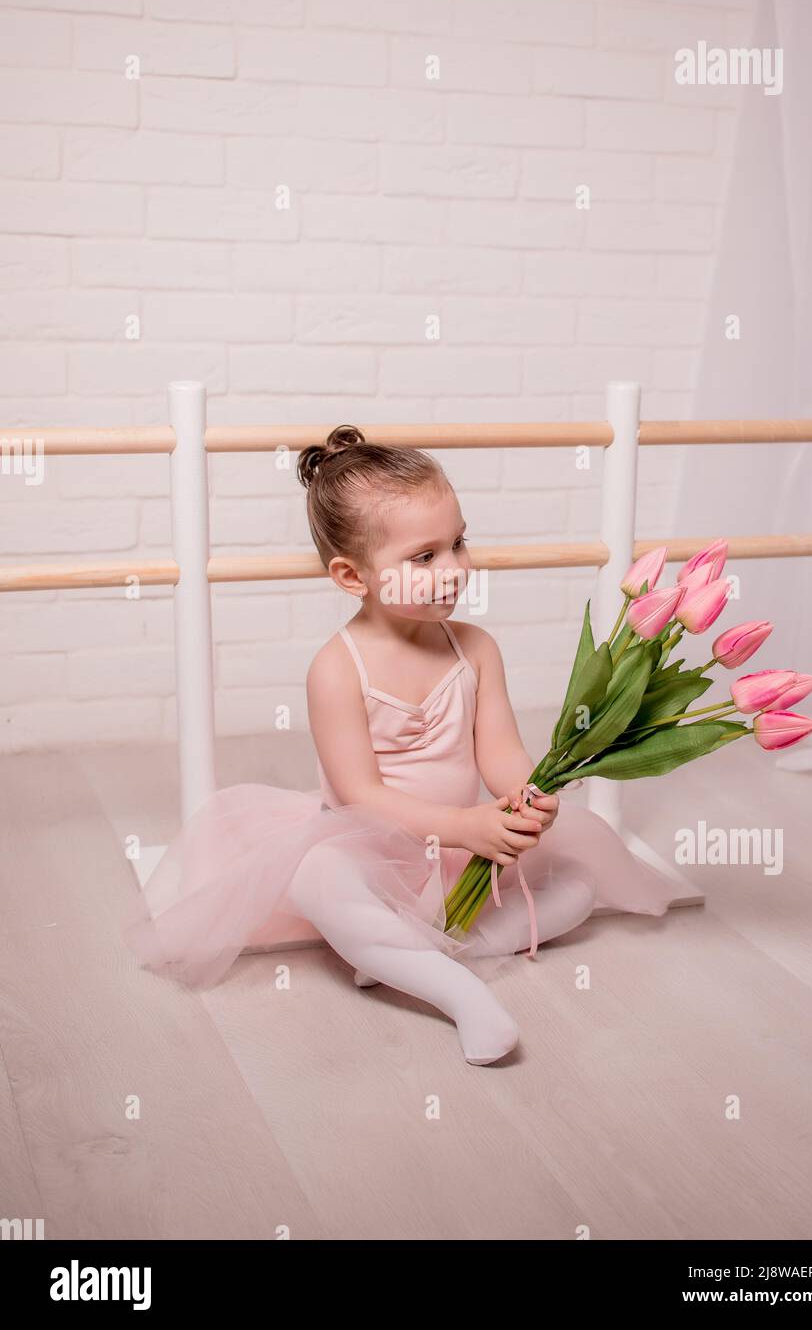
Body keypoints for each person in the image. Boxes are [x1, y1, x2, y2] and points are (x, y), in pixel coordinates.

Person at [122, 425, 678, 1065]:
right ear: (351, 575)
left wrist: (525, 792)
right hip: (367, 847)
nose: (455, 569)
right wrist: (464, 824)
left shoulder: (475, 649)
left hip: (454, 855)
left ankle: (411, 954)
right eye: (425, 557)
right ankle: (459, 993)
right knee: (319, 881)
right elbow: (360, 795)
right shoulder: (337, 668)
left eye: (459, 543)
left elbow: (498, 750)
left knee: (578, 890)